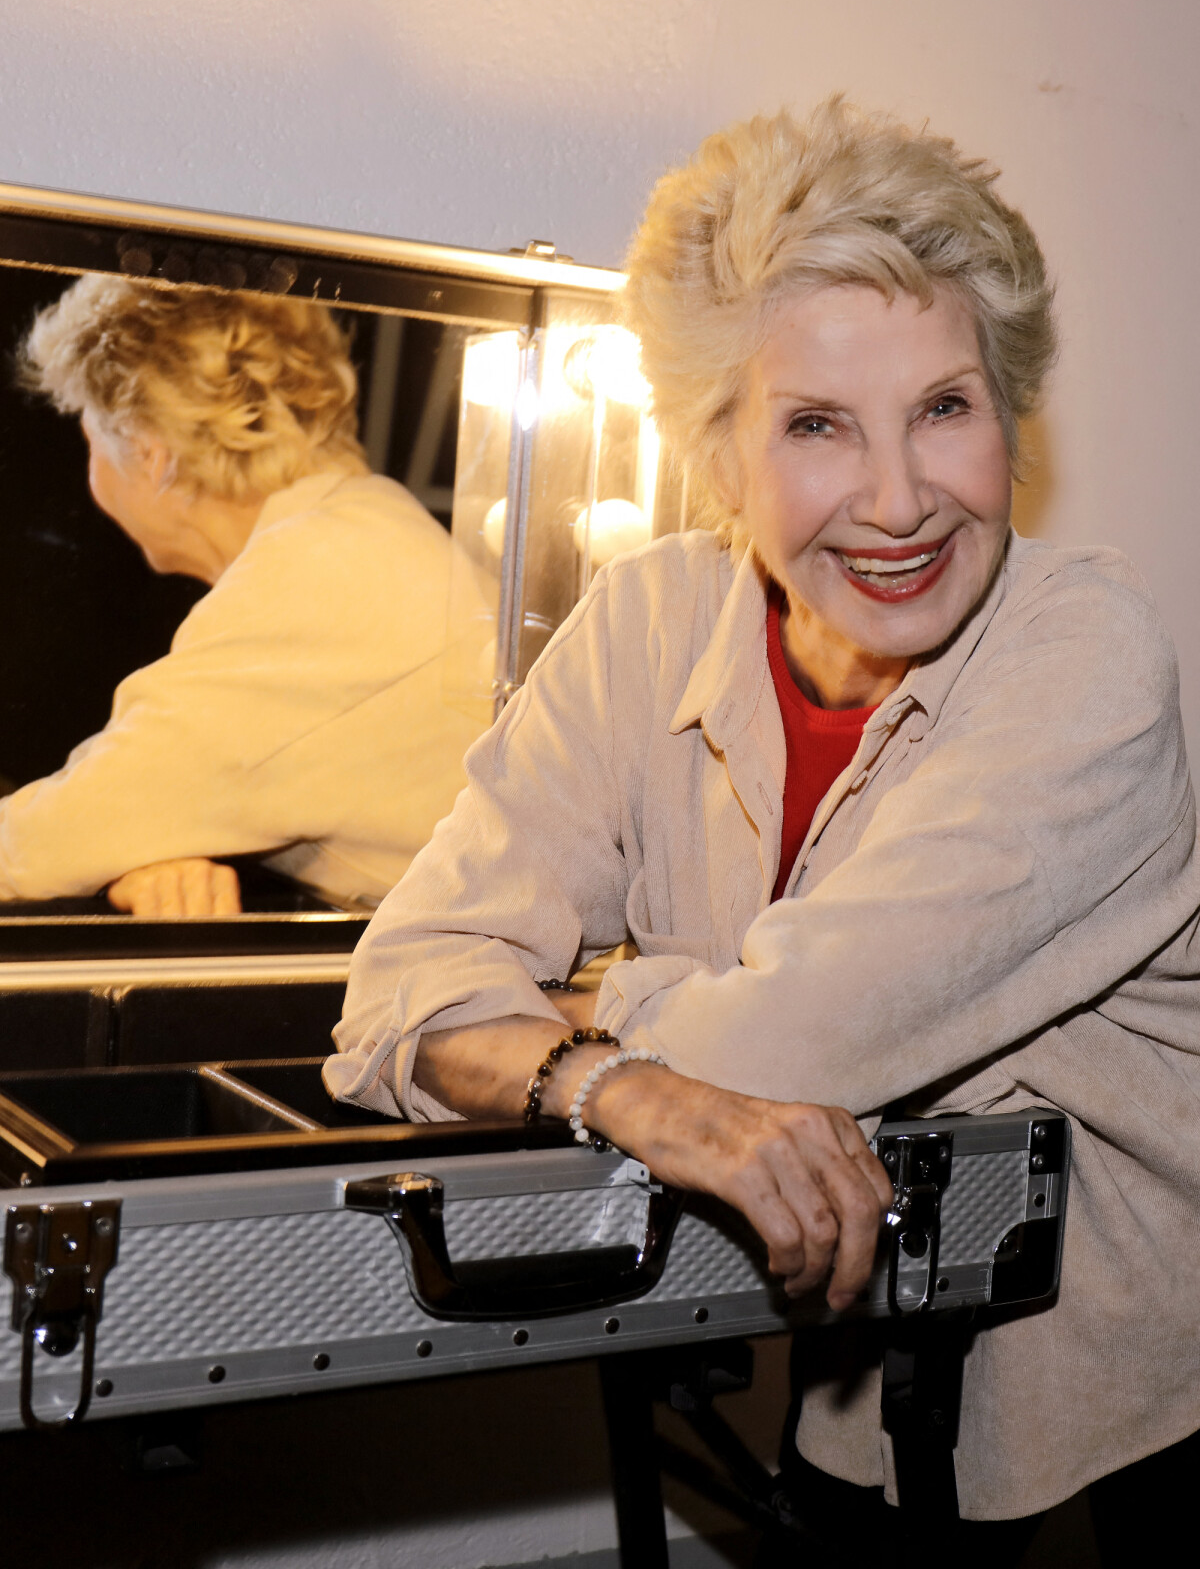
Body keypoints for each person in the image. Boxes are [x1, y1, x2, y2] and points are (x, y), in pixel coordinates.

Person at [327, 98, 1200, 1558]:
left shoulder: (1088, 656)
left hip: (1147, 1372)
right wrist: (629, 1087)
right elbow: (394, 995)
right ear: (716, 453)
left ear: (1009, 416)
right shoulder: (648, 619)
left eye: (945, 407)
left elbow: (780, 1054)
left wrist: (601, 1011)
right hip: (890, 1346)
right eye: (815, 426)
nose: (901, 500)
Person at [1, 276, 482, 915]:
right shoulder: (364, 533)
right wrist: (135, 850)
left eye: (89, 438)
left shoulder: (314, 579)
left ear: (150, 455)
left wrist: (114, 843)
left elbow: (48, 841)